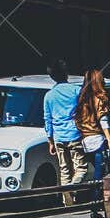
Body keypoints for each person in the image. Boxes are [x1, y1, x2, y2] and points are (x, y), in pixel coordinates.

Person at [75, 66, 110, 218]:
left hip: (85, 141)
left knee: (98, 174)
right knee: (102, 176)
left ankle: (96, 202)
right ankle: (95, 205)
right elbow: (103, 121)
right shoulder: (99, 98)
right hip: (98, 140)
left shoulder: (82, 99)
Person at [42, 61, 84, 208]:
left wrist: (50, 141)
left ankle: (68, 201)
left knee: (64, 168)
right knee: (81, 169)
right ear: (66, 73)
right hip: (75, 134)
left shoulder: (49, 96)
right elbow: (83, 113)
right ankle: (73, 187)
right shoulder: (76, 91)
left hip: (58, 137)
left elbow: (47, 119)